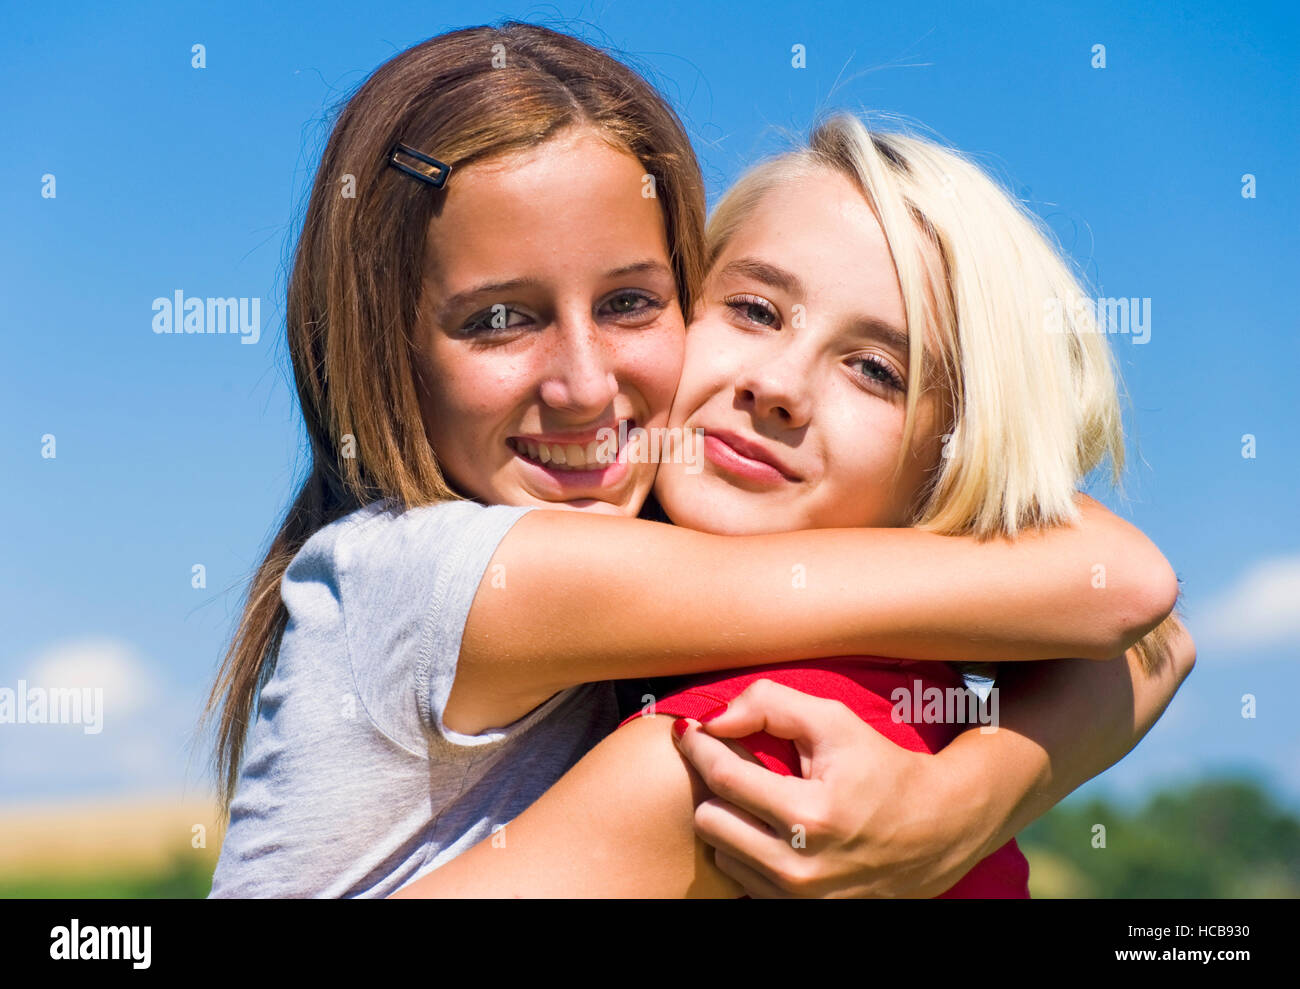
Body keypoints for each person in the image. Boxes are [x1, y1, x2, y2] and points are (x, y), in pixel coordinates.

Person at [205, 23, 1181, 899]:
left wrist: (972, 788)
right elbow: (1129, 593)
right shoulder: (454, 575)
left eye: (877, 369)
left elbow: (1147, 628)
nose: (585, 386)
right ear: (385, 350)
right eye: (754, 309)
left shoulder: (808, 687)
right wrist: (974, 795)